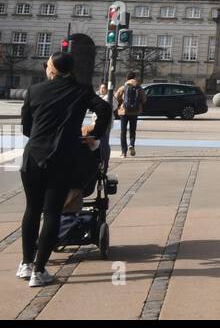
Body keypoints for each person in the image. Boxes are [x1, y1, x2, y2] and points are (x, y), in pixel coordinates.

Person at [19, 51, 112, 287]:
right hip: (61, 159)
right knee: (52, 213)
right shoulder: (80, 90)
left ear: (52, 69)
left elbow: (27, 129)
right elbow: (104, 109)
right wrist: (95, 134)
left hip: (33, 157)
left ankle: (26, 264)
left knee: (32, 210)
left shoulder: (34, 91)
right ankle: (39, 272)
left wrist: (41, 135)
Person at [115, 72, 145, 157]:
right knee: (132, 130)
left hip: (124, 112)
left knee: (123, 132)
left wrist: (121, 102)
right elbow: (144, 99)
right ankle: (131, 144)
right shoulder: (139, 88)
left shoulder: (123, 87)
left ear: (126, 78)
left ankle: (123, 152)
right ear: (134, 78)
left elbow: (116, 97)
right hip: (134, 112)